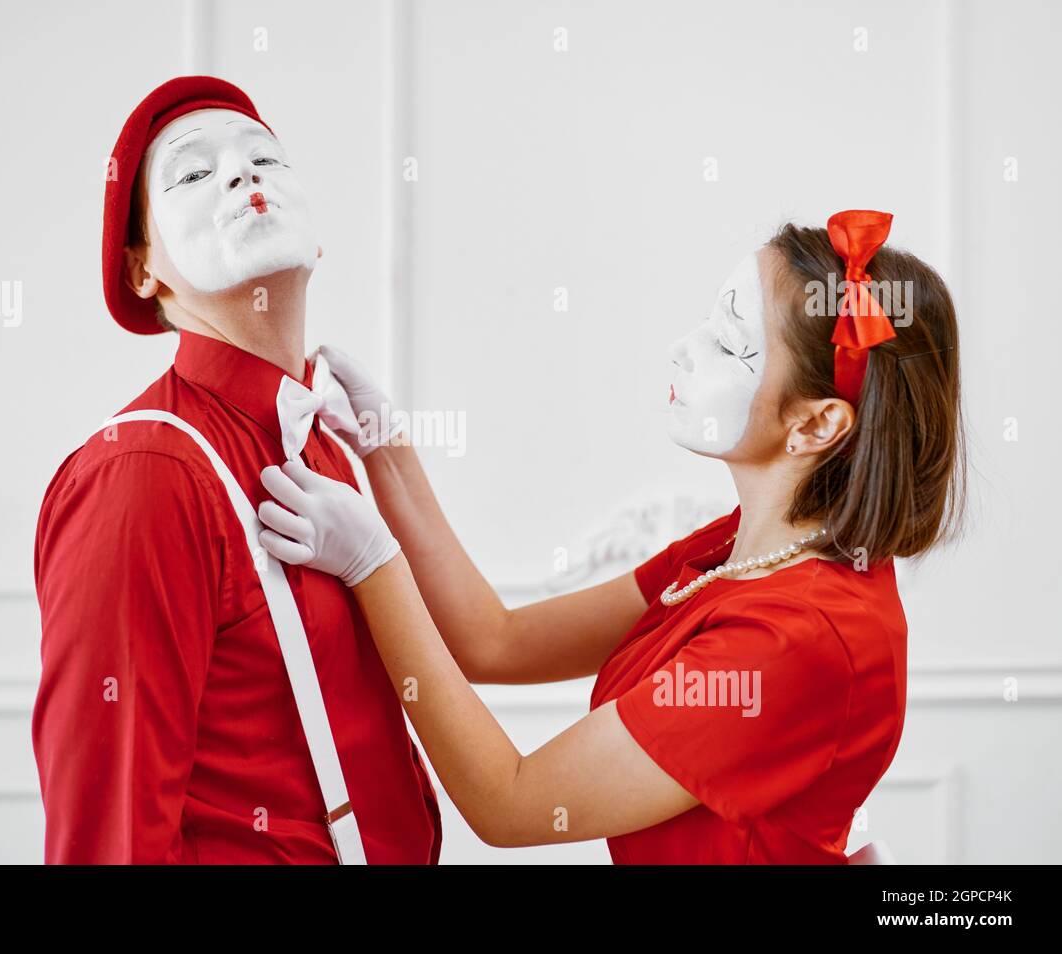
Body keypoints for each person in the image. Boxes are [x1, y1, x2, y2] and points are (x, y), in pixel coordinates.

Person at [255, 211, 966, 863]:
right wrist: (387, 452)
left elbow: (511, 802)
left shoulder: (797, 640)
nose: (686, 351)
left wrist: (373, 565)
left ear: (816, 425)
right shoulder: (741, 547)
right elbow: (492, 640)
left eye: (730, 345)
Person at [31, 76, 441, 864]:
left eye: (266, 159)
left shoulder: (323, 449)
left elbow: (477, 646)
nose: (242, 175)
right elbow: (107, 840)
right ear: (143, 269)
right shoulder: (142, 476)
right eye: (192, 173)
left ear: (317, 238)